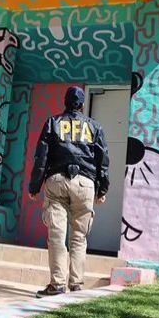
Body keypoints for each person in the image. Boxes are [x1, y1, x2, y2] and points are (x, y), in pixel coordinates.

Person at [28, 86, 110, 298]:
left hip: (57, 181)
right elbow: (103, 160)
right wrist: (102, 189)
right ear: (82, 105)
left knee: (56, 236)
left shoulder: (52, 122)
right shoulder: (94, 126)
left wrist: (34, 186)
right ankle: (76, 284)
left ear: (65, 102)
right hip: (85, 183)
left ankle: (57, 285)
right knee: (79, 238)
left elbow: (41, 157)